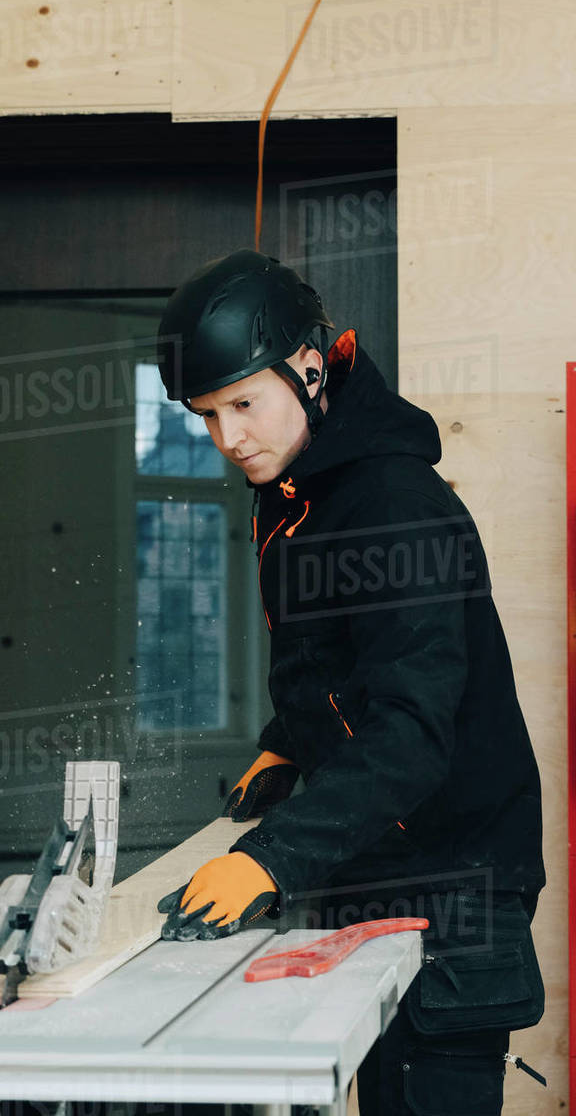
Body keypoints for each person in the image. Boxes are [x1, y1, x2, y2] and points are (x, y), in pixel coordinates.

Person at [154, 249, 546, 1115]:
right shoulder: (299, 487)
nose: (229, 439)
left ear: (308, 366)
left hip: (452, 885)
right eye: (206, 416)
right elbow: (336, 658)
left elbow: (412, 727)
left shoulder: (391, 505)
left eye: (243, 405)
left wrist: (270, 857)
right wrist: (286, 743)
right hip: (376, 862)